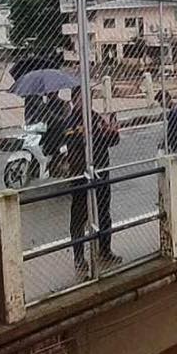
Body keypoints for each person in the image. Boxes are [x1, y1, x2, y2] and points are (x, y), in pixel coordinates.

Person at [60, 92, 121, 272]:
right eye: (82, 98)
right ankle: (79, 257)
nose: (87, 102)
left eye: (89, 98)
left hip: (100, 172)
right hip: (81, 176)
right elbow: (75, 141)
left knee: (104, 213)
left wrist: (111, 131)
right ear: (75, 100)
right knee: (79, 218)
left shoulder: (95, 117)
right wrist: (92, 134)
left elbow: (111, 141)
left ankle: (105, 250)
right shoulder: (70, 121)